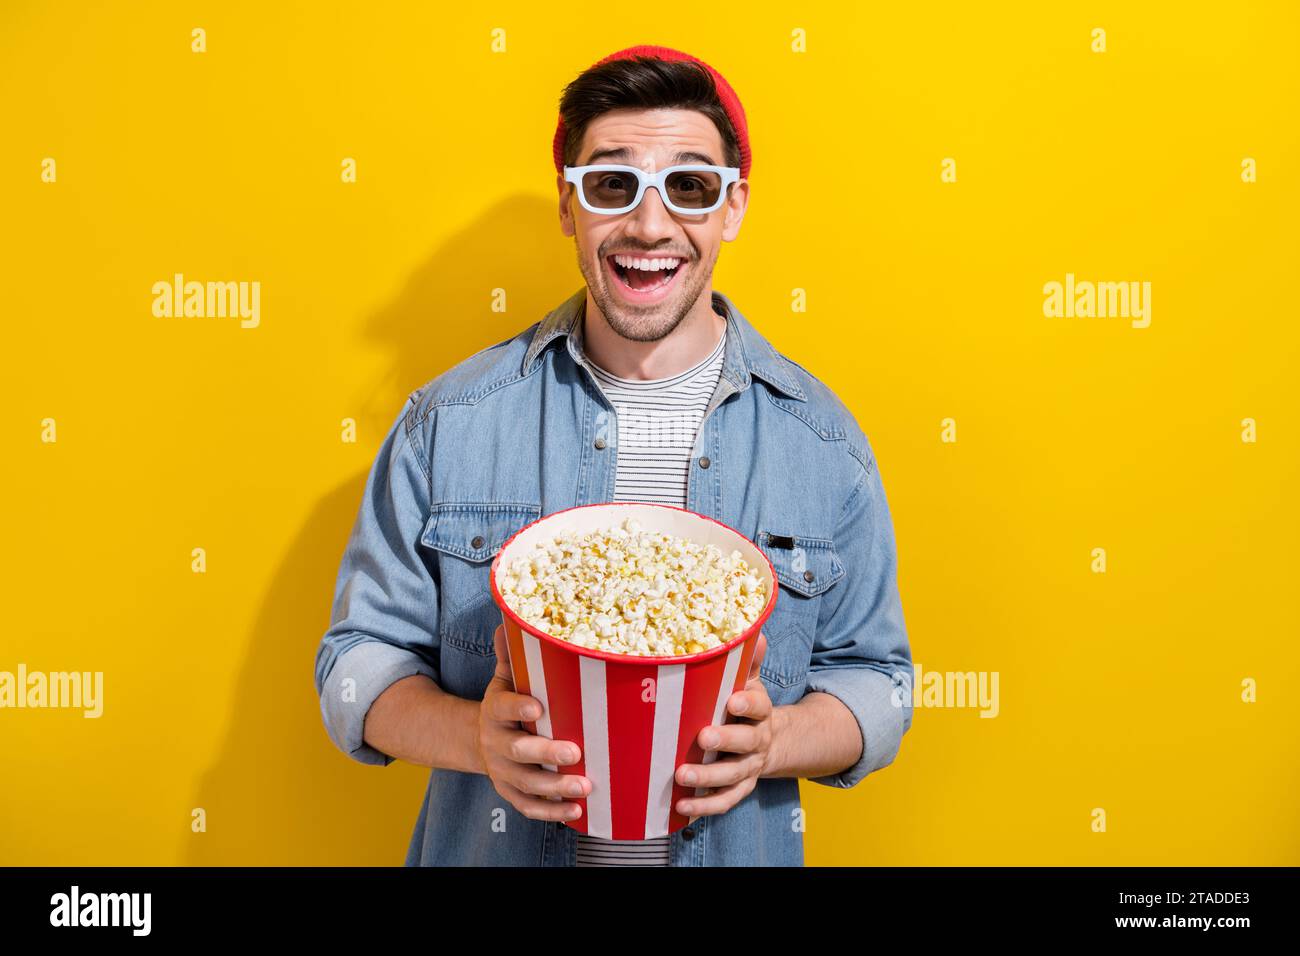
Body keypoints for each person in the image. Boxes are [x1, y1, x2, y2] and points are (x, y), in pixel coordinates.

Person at [314, 44, 914, 866]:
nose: (649, 226)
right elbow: (353, 666)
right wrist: (475, 738)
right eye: (612, 184)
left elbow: (880, 682)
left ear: (733, 208)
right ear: (569, 204)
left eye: (690, 186)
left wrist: (775, 740)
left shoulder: (822, 445)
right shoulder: (446, 423)